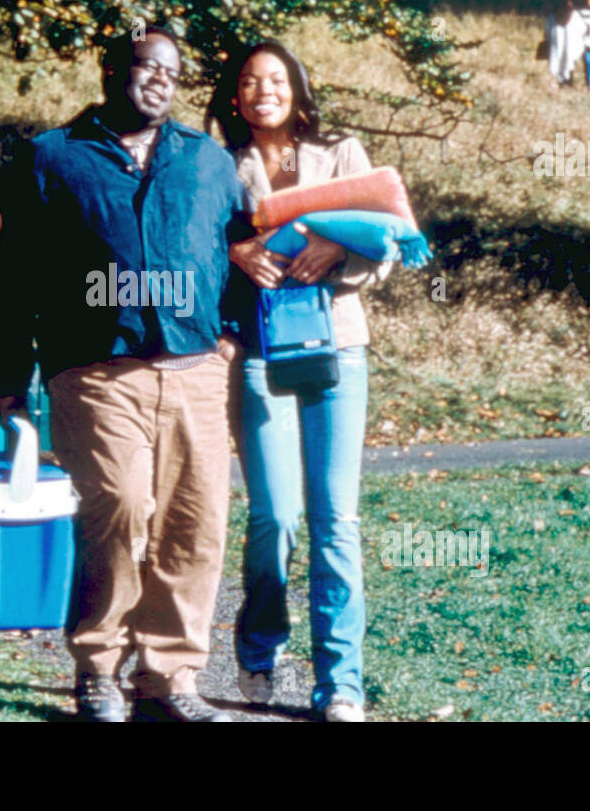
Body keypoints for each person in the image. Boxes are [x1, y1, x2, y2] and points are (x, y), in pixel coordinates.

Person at [0, 26, 247, 722]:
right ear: (108, 71)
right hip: (96, 371)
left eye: (172, 71)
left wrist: (229, 337)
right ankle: (98, 666)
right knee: (119, 508)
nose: (160, 79)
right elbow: (13, 275)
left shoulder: (209, 159)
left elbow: (243, 251)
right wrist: (8, 375)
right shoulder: (51, 158)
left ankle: (170, 677)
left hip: (195, 368)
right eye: (145, 67)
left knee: (197, 524)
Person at [207, 40, 399, 722]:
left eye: (277, 79)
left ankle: (340, 682)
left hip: (339, 350)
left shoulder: (341, 153)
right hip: (261, 353)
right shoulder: (219, 166)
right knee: (275, 516)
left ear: (297, 88)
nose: (265, 90)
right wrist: (236, 252)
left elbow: (391, 238)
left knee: (336, 519)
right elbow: (201, 245)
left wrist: (338, 248)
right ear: (235, 97)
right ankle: (259, 651)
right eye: (251, 81)